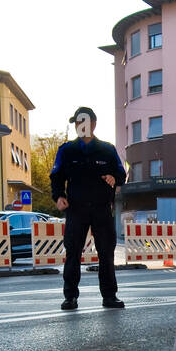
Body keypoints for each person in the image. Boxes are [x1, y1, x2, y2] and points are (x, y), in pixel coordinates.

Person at [50, 106, 126, 309]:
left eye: (82, 122)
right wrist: (58, 196)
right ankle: (70, 297)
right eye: (76, 122)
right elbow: (56, 176)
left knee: (106, 253)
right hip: (76, 209)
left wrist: (115, 178)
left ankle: (109, 296)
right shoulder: (67, 150)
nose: (79, 125)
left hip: (101, 209)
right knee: (73, 252)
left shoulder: (107, 149)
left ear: (93, 124)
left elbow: (121, 173)